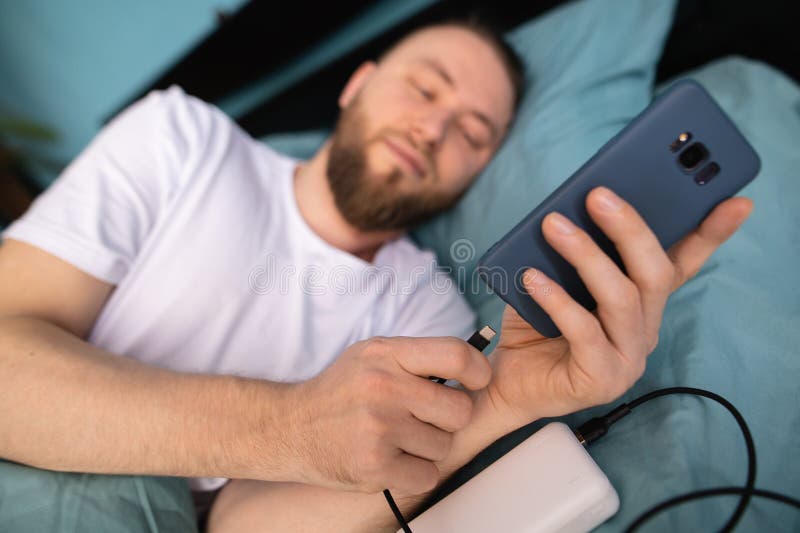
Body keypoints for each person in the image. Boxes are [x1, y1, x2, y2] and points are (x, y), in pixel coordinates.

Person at [0, 18, 752, 533]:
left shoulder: (432, 320)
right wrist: (283, 427)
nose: (434, 128)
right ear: (356, 84)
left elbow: (242, 528)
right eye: (426, 88)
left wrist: (504, 404)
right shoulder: (181, 139)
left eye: (472, 133)